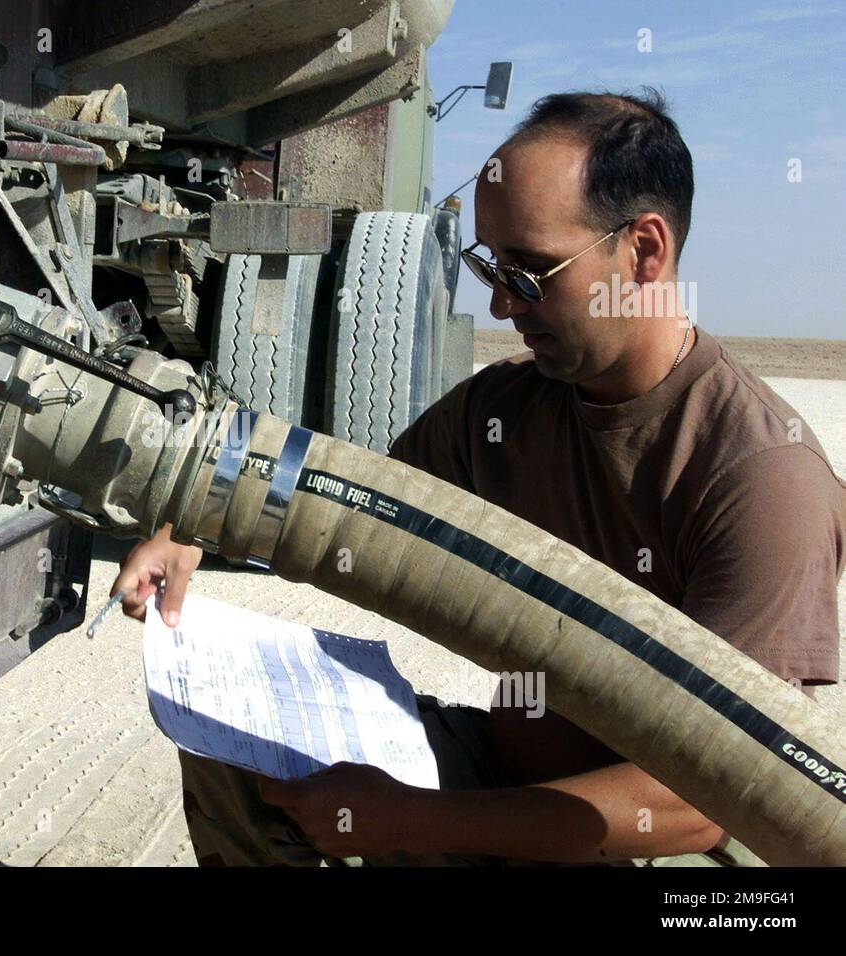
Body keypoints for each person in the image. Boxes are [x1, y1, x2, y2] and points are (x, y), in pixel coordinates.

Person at [110, 90, 846, 866]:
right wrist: (192, 529)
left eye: (531, 272)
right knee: (242, 751)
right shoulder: (508, 408)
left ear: (644, 252)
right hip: (506, 775)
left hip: (647, 839)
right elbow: (344, 499)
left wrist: (414, 823)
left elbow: (707, 799)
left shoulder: (760, 477)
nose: (500, 302)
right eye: (490, 264)